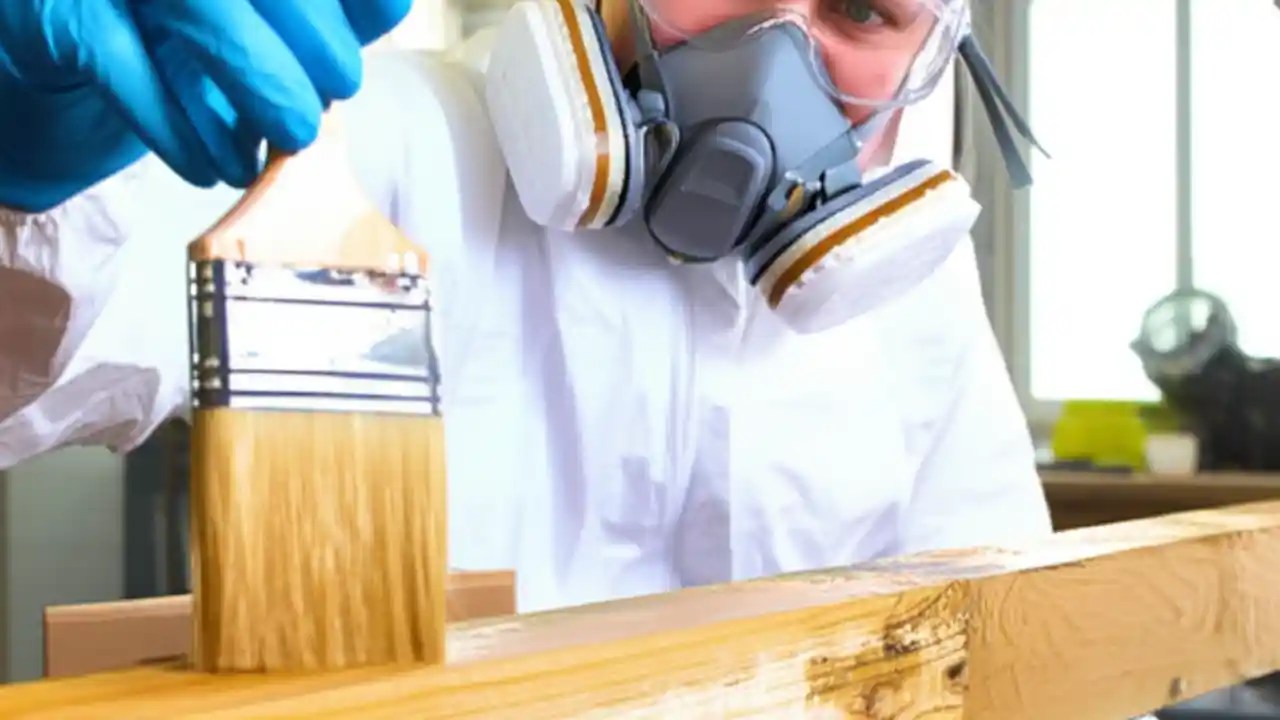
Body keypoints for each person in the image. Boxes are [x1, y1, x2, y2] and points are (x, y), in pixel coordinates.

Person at [0, 0, 1052, 614]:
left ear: (930, 61)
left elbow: (1019, 635)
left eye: (862, 8)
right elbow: (46, 372)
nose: (774, 39)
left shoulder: (910, 295)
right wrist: (24, 174)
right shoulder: (369, 143)